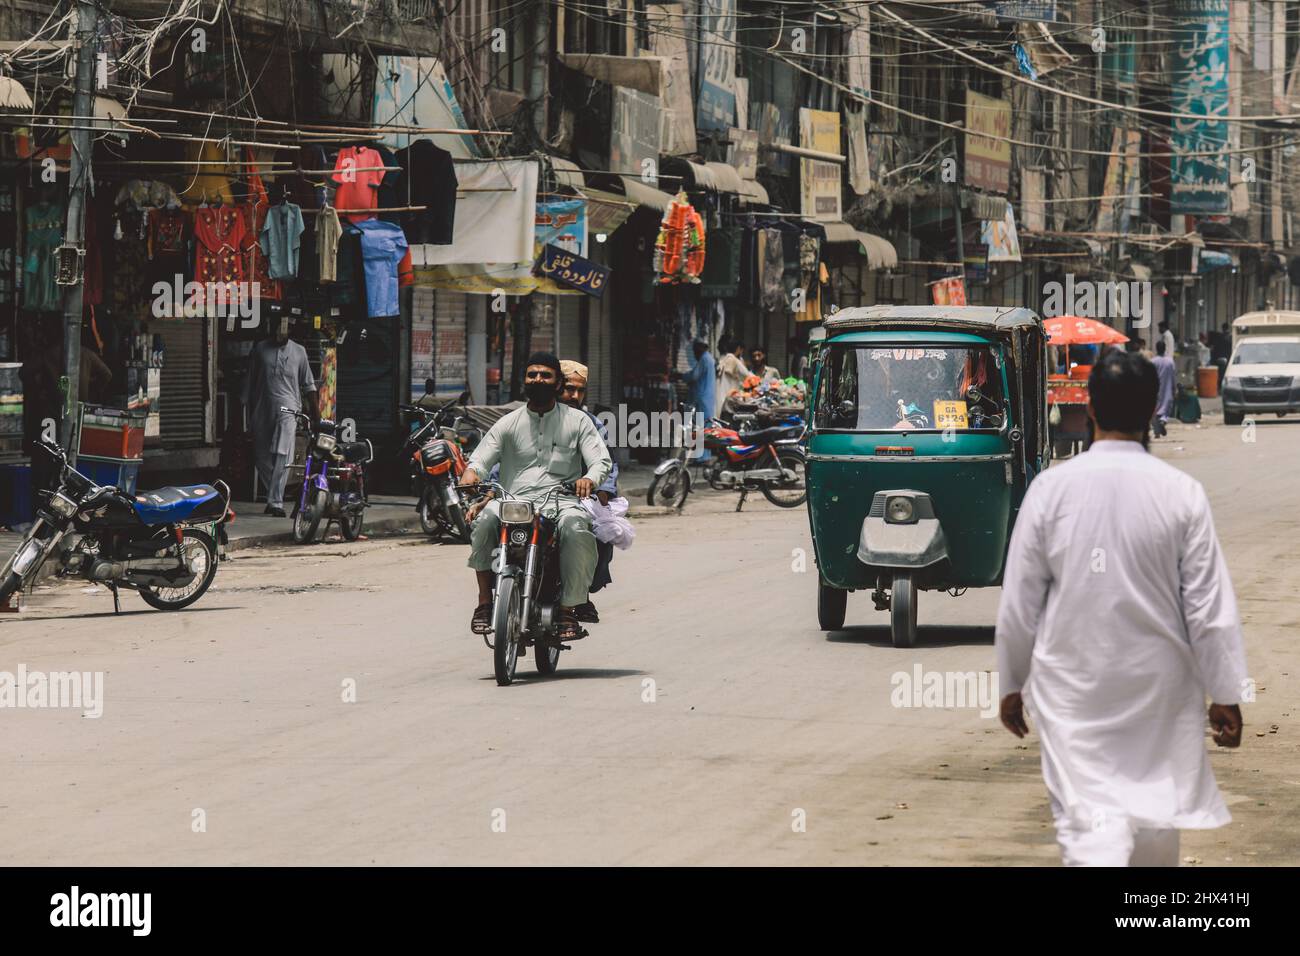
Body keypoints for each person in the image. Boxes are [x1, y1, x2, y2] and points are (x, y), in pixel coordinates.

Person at [995, 351, 1247, 867]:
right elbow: (1208, 607)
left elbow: (1021, 604)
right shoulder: (1181, 494)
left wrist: (1011, 682)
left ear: (1089, 408)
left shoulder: (1051, 491)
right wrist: (1225, 693)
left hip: (1074, 692)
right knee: (1155, 818)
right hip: (1160, 689)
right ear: (1153, 407)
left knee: (1088, 825)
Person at [460, 352, 612, 642]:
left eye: (545, 375)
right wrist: (472, 473)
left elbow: (600, 461)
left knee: (577, 527)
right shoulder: (509, 422)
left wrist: (589, 479)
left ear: (557, 383)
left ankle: (568, 608)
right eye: (532, 375)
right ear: (525, 381)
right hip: (513, 502)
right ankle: (483, 602)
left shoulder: (579, 421)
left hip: (560, 502)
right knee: (484, 520)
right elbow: (482, 455)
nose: (538, 380)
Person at [558, 359, 618, 624]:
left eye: (580, 391)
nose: (574, 396)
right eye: (569, 388)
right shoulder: (528, 419)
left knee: (599, 533)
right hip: (529, 497)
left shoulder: (593, 425)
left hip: (576, 497)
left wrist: (601, 492)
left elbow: (606, 463)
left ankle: (580, 593)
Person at [243, 317, 317, 517]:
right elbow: (250, 381)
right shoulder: (260, 350)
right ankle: (273, 494)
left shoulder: (299, 352)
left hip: (289, 408)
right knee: (262, 457)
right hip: (262, 408)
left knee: (282, 453)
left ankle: (275, 501)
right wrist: (244, 412)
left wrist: (316, 414)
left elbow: (308, 384)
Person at [716, 337, 751, 417]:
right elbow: (747, 376)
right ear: (739, 349)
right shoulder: (733, 360)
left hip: (721, 399)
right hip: (729, 399)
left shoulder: (723, 359)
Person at [1151, 340, 1176, 437]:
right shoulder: (1170, 361)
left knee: (1155, 410)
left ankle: (1156, 432)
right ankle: (1163, 421)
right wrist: (1174, 388)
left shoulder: (1153, 361)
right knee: (1166, 408)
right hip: (1167, 389)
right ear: (1165, 348)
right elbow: (1173, 376)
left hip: (1155, 388)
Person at [1210, 322, 1232, 388]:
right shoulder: (1231, 337)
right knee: (1226, 373)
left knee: (1220, 373)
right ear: (1228, 328)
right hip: (1228, 357)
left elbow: (1214, 349)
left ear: (1222, 328)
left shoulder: (1219, 337)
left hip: (1219, 358)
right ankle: (1225, 386)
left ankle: (1220, 386)